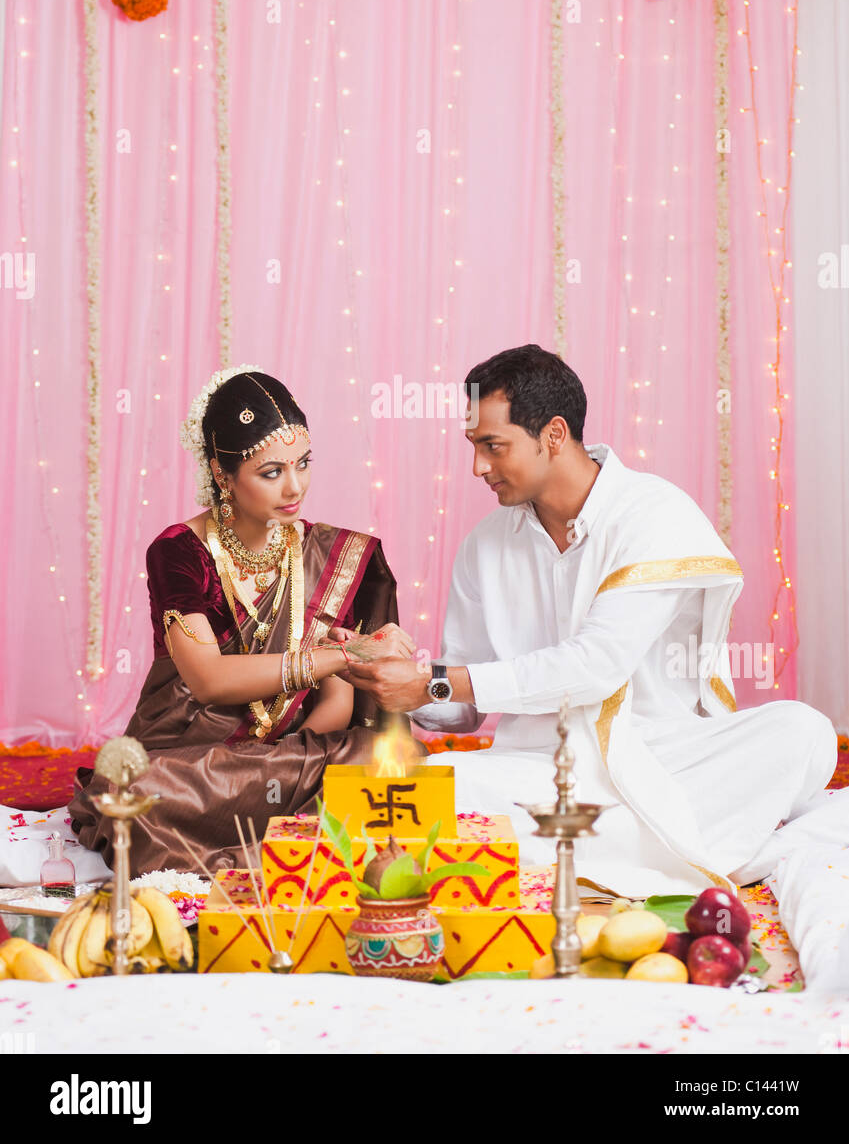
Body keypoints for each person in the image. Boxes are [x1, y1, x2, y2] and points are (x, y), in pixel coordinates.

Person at [341, 345, 838, 897]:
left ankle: (632, 844)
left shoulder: (653, 513)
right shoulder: (483, 545)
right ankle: (693, 845)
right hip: (538, 773)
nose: (478, 466)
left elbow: (595, 667)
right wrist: (394, 676)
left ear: (553, 434)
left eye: (493, 446)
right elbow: (461, 704)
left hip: (665, 757)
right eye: (474, 446)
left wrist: (436, 678)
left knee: (802, 732)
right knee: (436, 790)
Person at [69, 365, 416, 876]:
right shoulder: (179, 552)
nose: (294, 486)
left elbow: (338, 702)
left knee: (384, 757)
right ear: (221, 473)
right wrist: (344, 654)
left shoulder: (330, 553)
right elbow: (208, 681)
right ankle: (287, 838)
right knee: (137, 791)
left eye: (303, 463)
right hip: (193, 757)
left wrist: (274, 765)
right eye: (271, 472)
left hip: (290, 756)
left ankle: (259, 821)